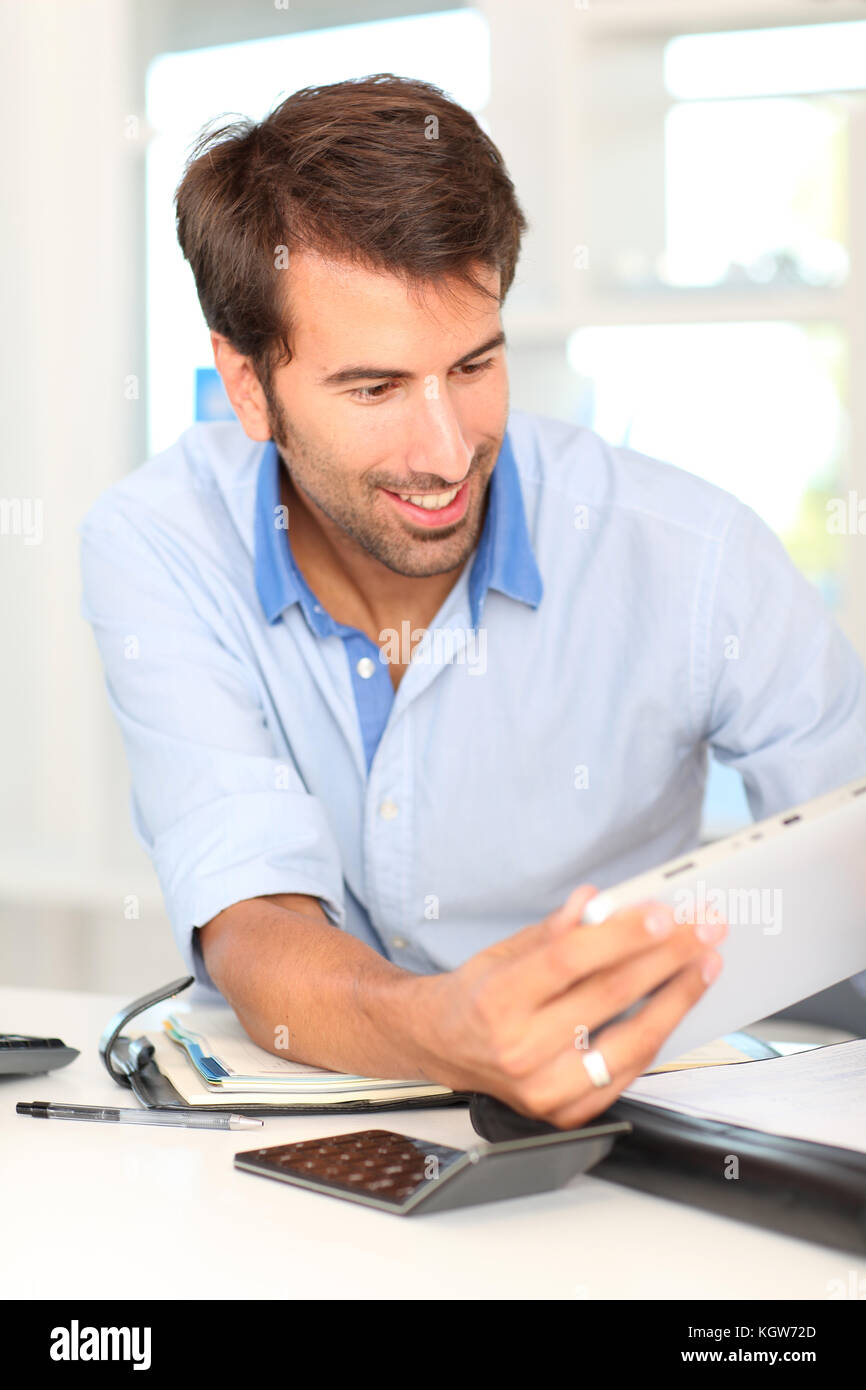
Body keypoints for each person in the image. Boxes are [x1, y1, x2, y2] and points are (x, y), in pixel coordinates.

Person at [79, 75, 866, 1130]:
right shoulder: (160, 543)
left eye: (473, 363)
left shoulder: (696, 557)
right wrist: (446, 1025)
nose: (446, 452)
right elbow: (254, 926)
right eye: (374, 389)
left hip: (624, 1155)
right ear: (249, 384)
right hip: (291, 1161)